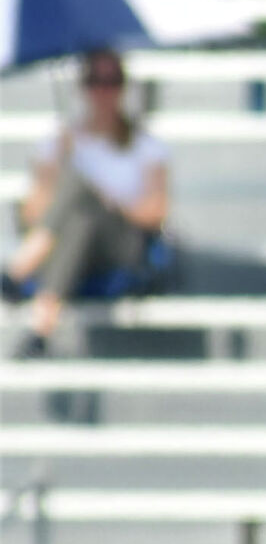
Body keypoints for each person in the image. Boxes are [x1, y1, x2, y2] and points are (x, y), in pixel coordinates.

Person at [3, 51, 169, 352]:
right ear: (83, 87)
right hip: (73, 239)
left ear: (123, 86)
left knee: (83, 195)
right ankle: (42, 326)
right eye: (95, 81)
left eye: (112, 81)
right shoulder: (60, 143)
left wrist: (112, 203)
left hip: (120, 243)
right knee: (82, 218)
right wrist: (57, 168)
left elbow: (156, 213)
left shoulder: (146, 146)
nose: (103, 90)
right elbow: (33, 214)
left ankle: (19, 270)